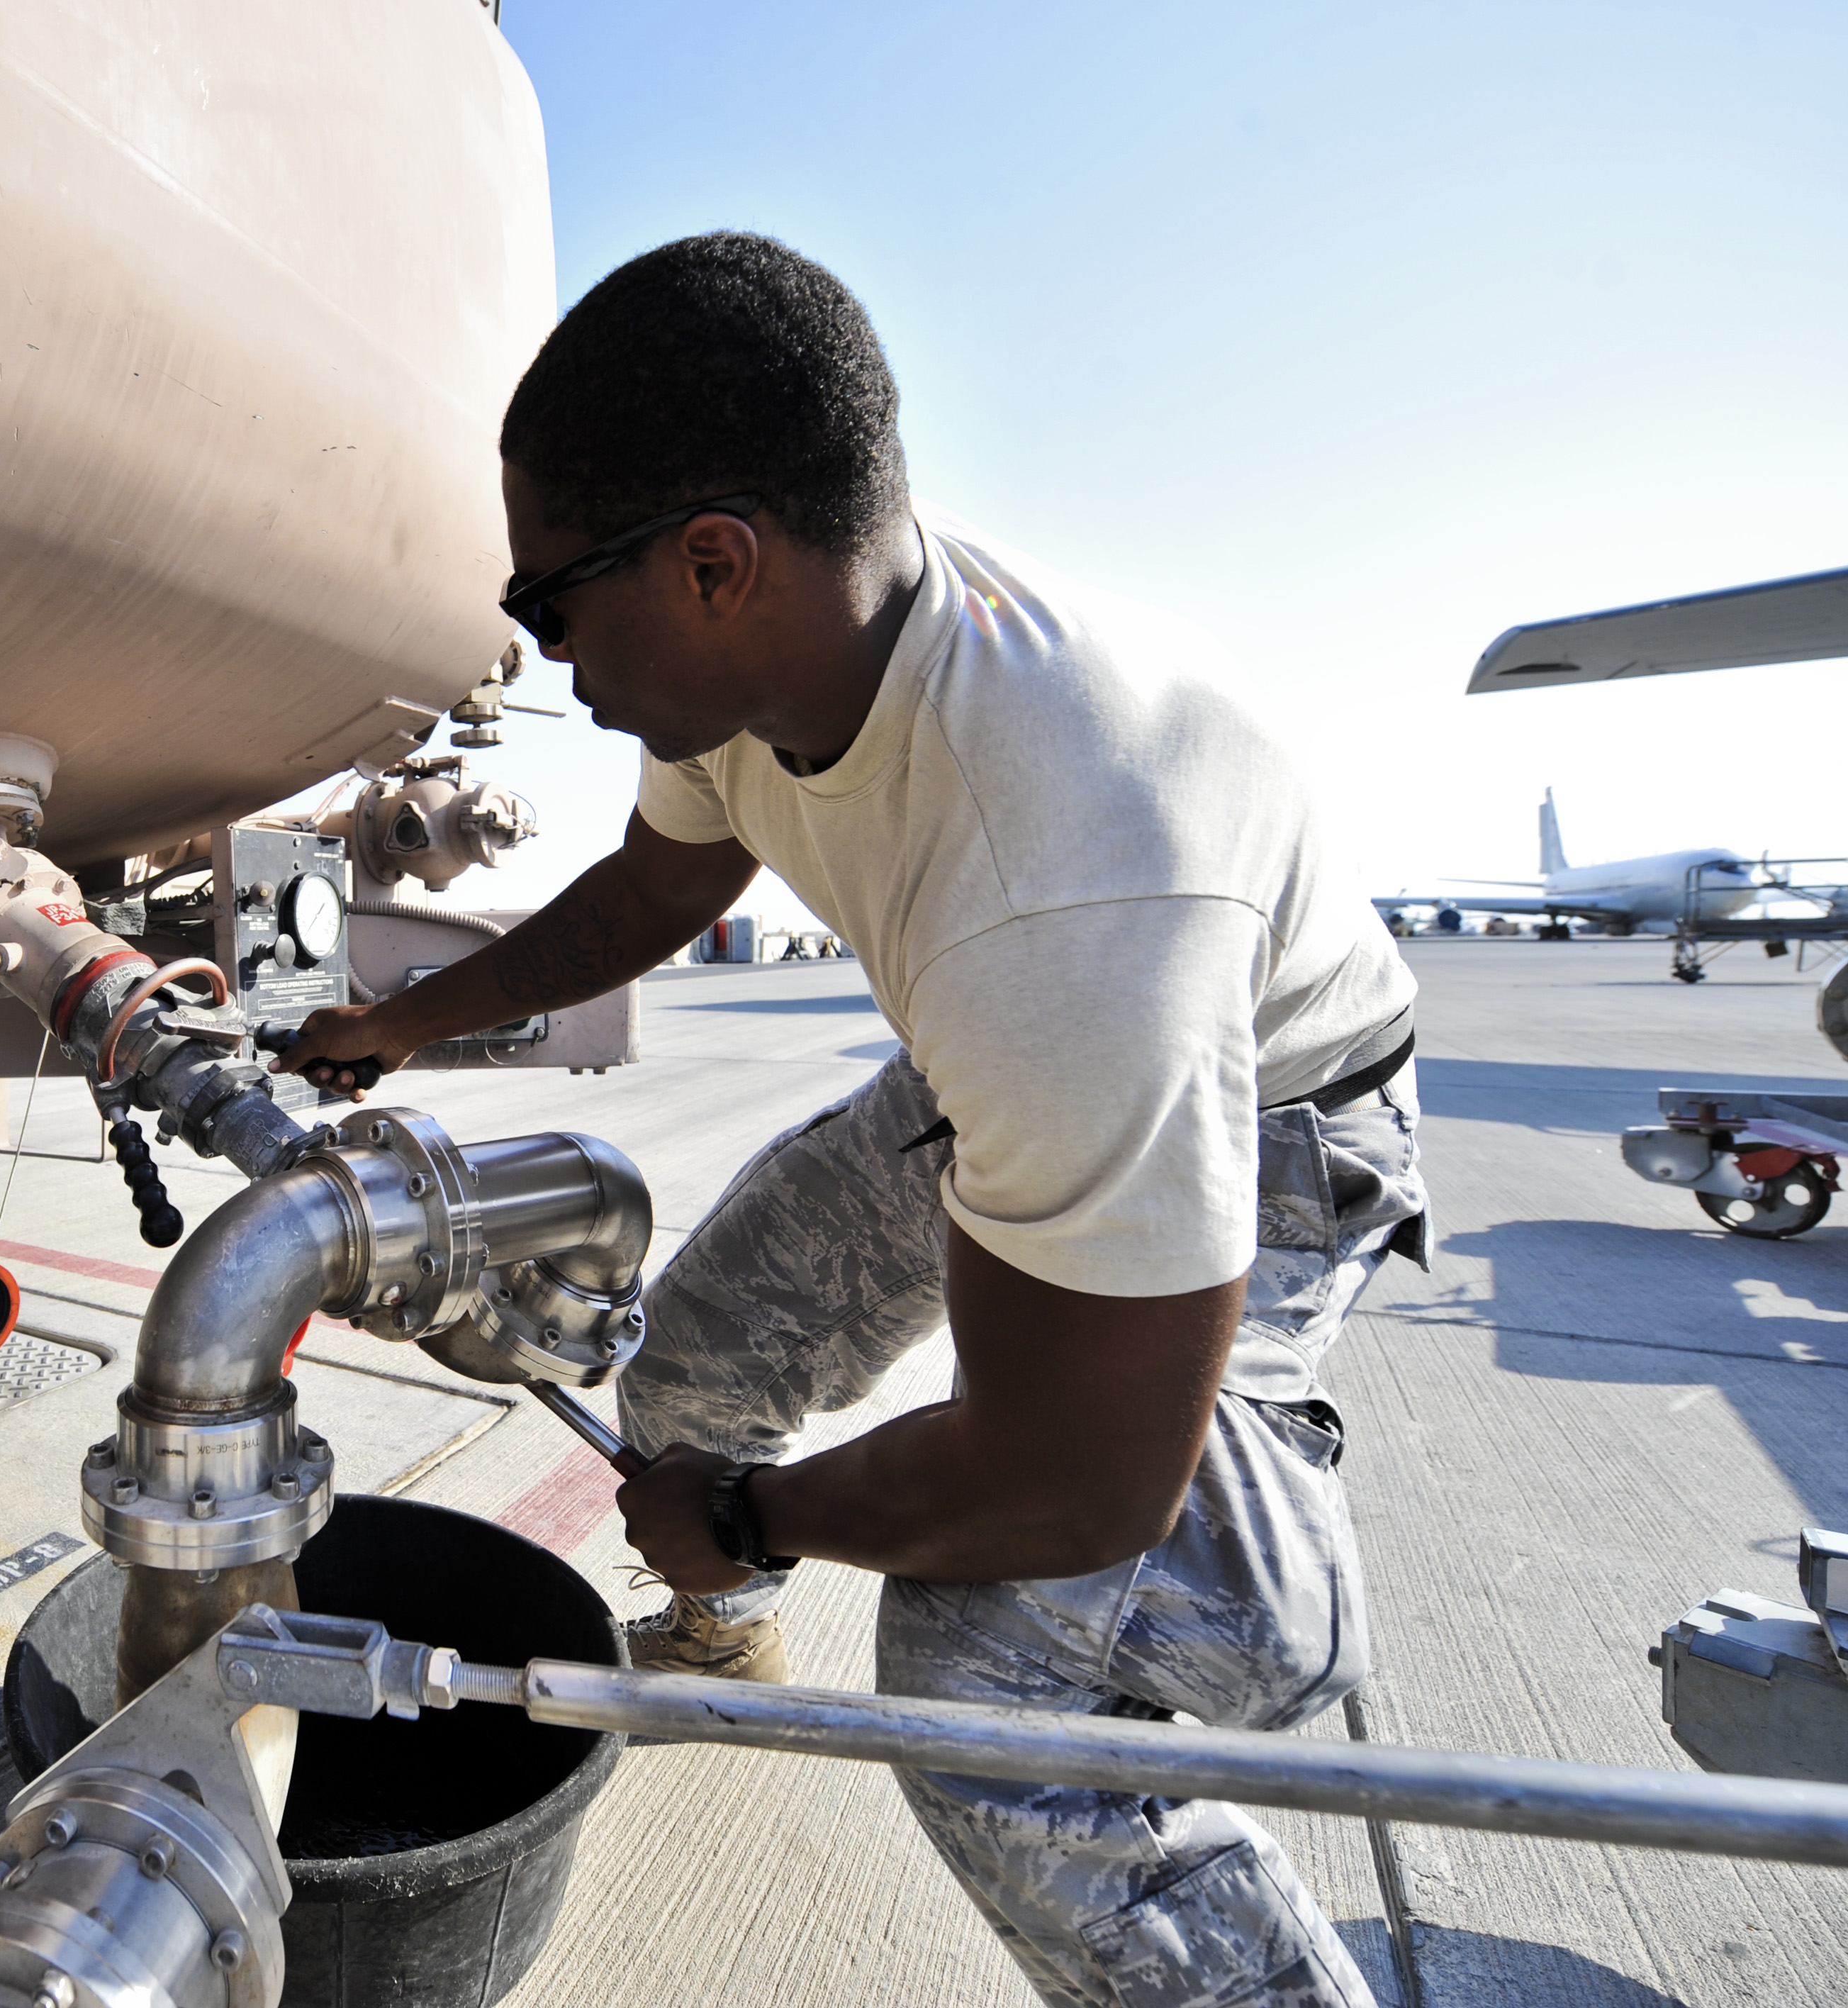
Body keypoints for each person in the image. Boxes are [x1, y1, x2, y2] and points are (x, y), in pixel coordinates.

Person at [273, 233, 1427, 2008]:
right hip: (993, 1069)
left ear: (715, 561)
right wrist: (402, 1021)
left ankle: (1263, 1607)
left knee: (985, 1670)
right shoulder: (759, 671)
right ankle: (719, 1643)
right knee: (704, 1352)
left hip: (1269, 1122)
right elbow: (648, 894)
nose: (546, 659)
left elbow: (1069, 1472)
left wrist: (756, 1513)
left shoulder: (1062, 881)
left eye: (548, 609)